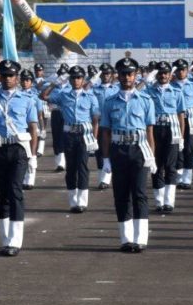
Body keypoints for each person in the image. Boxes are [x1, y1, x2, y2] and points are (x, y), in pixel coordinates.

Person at [99, 57, 156, 253]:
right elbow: (105, 131)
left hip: (139, 149)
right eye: (122, 74)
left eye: (130, 73)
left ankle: (140, 239)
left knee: (139, 193)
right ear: (118, 76)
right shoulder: (109, 102)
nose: (126, 77)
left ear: (136, 75)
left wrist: (152, 156)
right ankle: (126, 239)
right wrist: (105, 158)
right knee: (121, 194)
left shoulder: (146, 100)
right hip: (118, 149)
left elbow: (149, 131)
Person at [0, 59, 39, 256]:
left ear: (17, 77)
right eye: (4, 75)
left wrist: (32, 155)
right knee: (2, 193)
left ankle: (15, 240)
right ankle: (6, 238)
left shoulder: (27, 100)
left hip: (18, 150)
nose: (7, 79)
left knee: (15, 191)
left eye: (11, 75)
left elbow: (33, 128)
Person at [41, 65, 99, 213]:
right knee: (71, 168)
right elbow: (43, 96)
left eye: (79, 77)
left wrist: (95, 138)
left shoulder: (91, 97)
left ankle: (83, 202)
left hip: (85, 135)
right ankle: (73, 201)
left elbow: (95, 119)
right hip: (69, 135)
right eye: (73, 77)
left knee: (83, 167)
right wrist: (55, 83)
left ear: (83, 79)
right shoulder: (63, 95)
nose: (76, 80)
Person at [144, 61, 186, 213]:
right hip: (155, 130)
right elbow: (136, 90)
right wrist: (149, 76)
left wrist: (181, 137)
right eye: (160, 73)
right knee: (156, 165)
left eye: (165, 73)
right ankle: (159, 201)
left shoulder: (176, 92)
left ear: (170, 75)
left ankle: (169, 201)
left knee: (170, 166)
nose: (163, 76)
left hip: (172, 130)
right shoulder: (149, 90)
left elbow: (181, 115)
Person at [171, 59, 193, 190]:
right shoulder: (170, 87)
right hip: (174, 121)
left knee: (188, 148)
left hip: (189, 120)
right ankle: (178, 174)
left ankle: (187, 178)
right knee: (176, 149)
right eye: (178, 69)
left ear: (187, 71)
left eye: (183, 69)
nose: (180, 72)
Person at [93, 63, 118, 190]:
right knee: (99, 152)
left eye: (108, 73)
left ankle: (107, 178)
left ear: (112, 75)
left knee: (111, 150)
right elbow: (84, 90)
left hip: (113, 124)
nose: (106, 75)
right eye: (103, 73)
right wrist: (93, 78)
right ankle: (102, 178)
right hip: (98, 124)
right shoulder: (94, 89)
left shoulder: (116, 89)